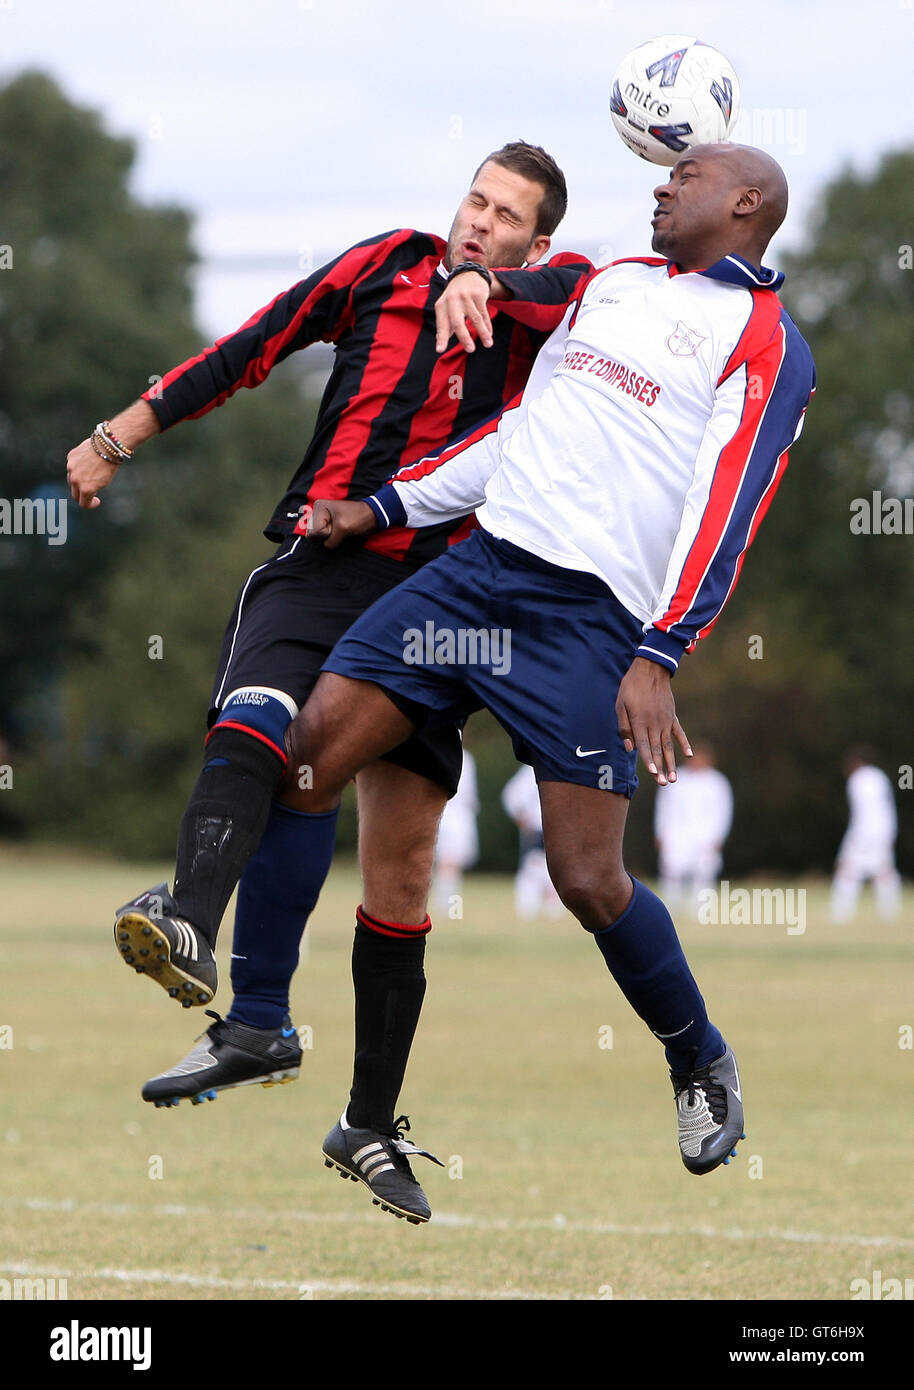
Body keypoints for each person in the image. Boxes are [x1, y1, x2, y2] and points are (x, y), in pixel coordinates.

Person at [257, 142, 814, 1222]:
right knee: (310, 750)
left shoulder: (766, 341)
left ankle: (695, 1055)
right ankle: (260, 1018)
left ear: (746, 207)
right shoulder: (607, 283)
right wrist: (386, 506)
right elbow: (518, 431)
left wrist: (661, 650)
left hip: (590, 624)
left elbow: (728, 503)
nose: (661, 182)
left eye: (687, 177)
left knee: (585, 877)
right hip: (477, 573)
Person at [65, 145, 592, 1150]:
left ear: (536, 237)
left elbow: (576, 285)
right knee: (267, 722)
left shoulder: (551, 306)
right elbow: (252, 346)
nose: (479, 221)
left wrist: (493, 280)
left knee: (401, 863)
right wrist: (120, 432)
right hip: (320, 560)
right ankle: (214, 953)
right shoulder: (384, 263)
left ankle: (367, 1121)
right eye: (473, 202)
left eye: (505, 215)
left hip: (443, 594)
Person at [654, 740, 733, 913]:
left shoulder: (717, 782)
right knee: (672, 870)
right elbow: (664, 808)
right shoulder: (676, 779)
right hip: (677, 833)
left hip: (706, 834)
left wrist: (719, 836)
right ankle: (670, 907)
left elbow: (723, 812)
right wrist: (661, 832)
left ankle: (699, 909)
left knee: (703, 872)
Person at [830, 747, 901, 922]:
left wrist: (854, 836)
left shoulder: (857, 780)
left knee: (848, 869)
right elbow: (887, 808)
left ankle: (841, 911)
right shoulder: (880, 777)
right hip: (884, 830)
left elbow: (862, 812)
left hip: (864, 831)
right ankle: (889, 911)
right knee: (883, 870)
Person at [501, 763, 564, 919]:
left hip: (558, 828)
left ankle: (553, 908)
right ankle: (528, 906)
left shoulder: (563, 768)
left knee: (557, 867)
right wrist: (521, 818)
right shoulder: (530, 771)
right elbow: (512, 796)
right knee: (532, 866)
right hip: (536, 827)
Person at [432, 747, 479, 917]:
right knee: (450, 865)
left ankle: (449, 908)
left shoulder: (464, 757)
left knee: (448, 865)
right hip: (454, 818)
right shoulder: (465, 758)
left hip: (450, 814)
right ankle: (450, 909)